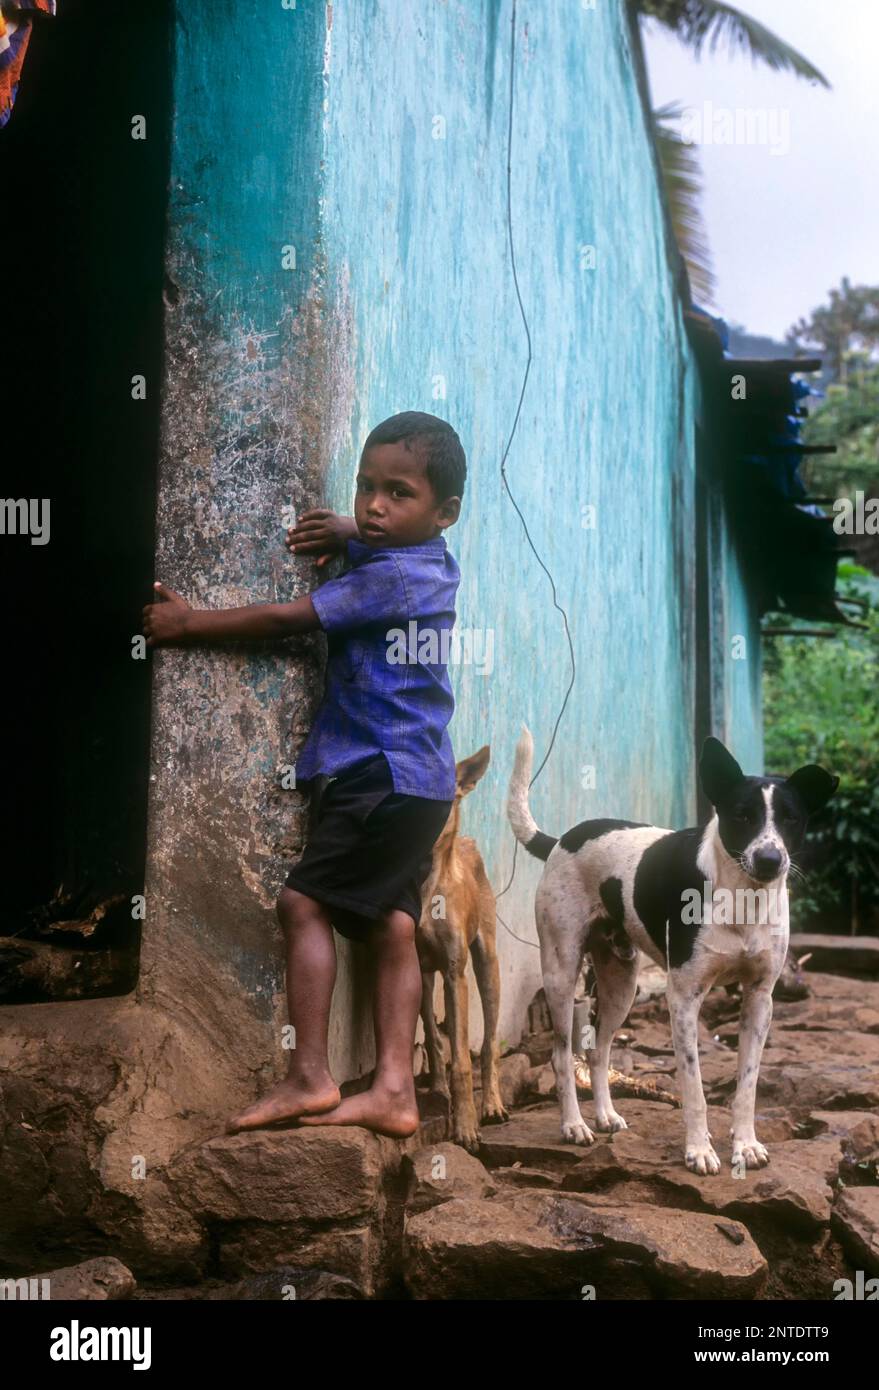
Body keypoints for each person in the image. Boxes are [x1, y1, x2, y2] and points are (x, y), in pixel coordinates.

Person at [142, 412, 466, 1138]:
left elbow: (293, 617)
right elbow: (386, 540)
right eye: (366, 488)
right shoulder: (433, 561)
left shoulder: (388, 582)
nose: (375, 506)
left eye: (398, 495)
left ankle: (309, 1074)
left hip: (375, 772)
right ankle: (392, 1089)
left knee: (302, 906)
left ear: (442, 512)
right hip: (420, 781)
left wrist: (189, 625)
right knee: (389, 924)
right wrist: (352, 533)